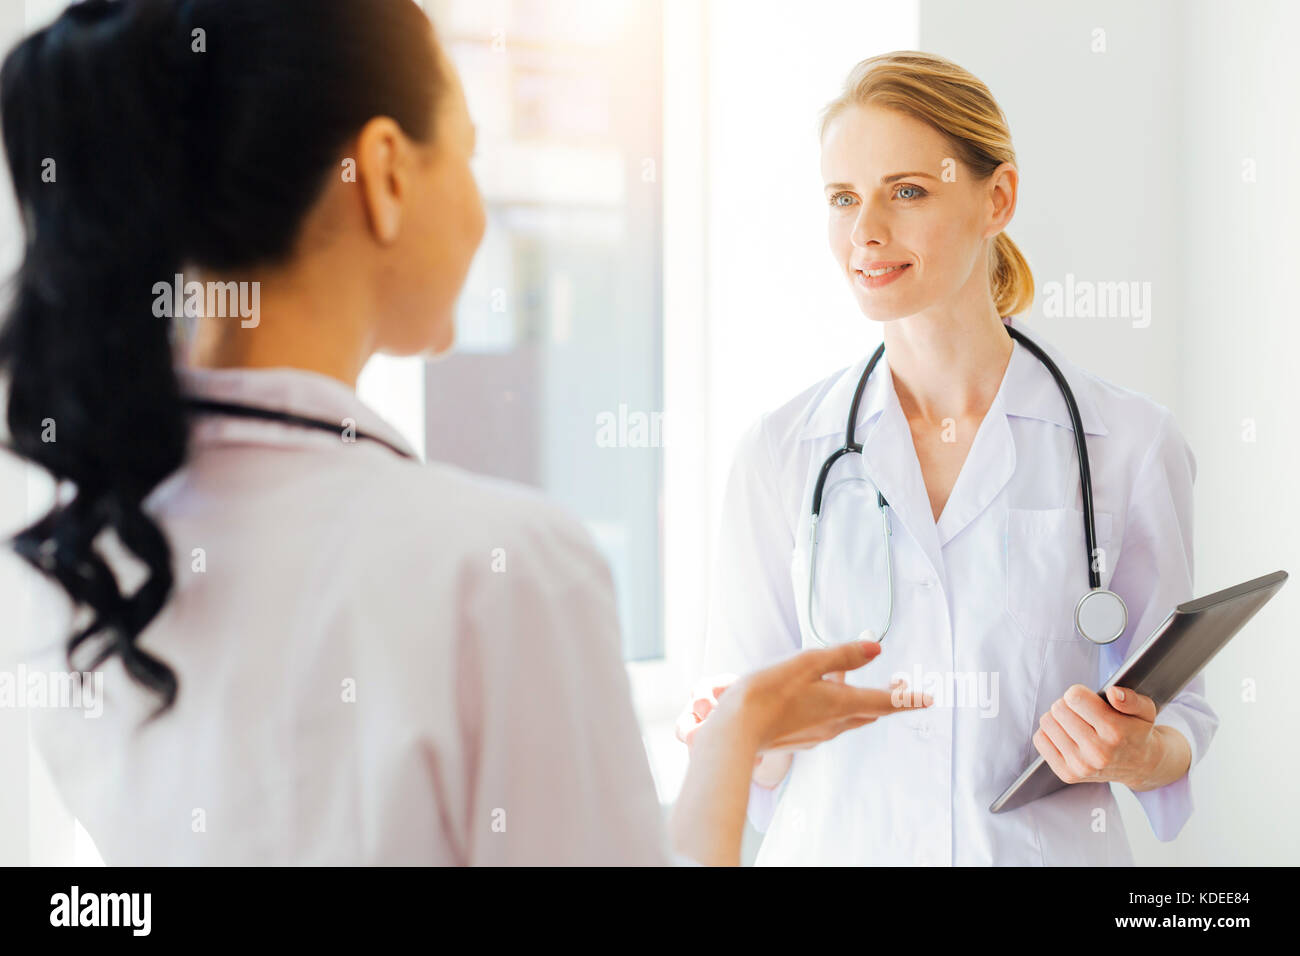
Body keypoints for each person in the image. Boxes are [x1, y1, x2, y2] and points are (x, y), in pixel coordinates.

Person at [0, 0, 930, 867]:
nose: (480, 214)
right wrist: (734, 742)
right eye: (471, 155)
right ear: (389, 173)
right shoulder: (498, 567)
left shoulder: (78, 562)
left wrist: (742, 729)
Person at [679, 51, 1219, 866]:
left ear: (996, 198)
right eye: (841, 198)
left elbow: (1181, 717)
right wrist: (746, 730)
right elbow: (746, 737)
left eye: (907, 191)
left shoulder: (1131, 444)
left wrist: (1136, 751)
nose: (865, 232)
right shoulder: (782, 453)